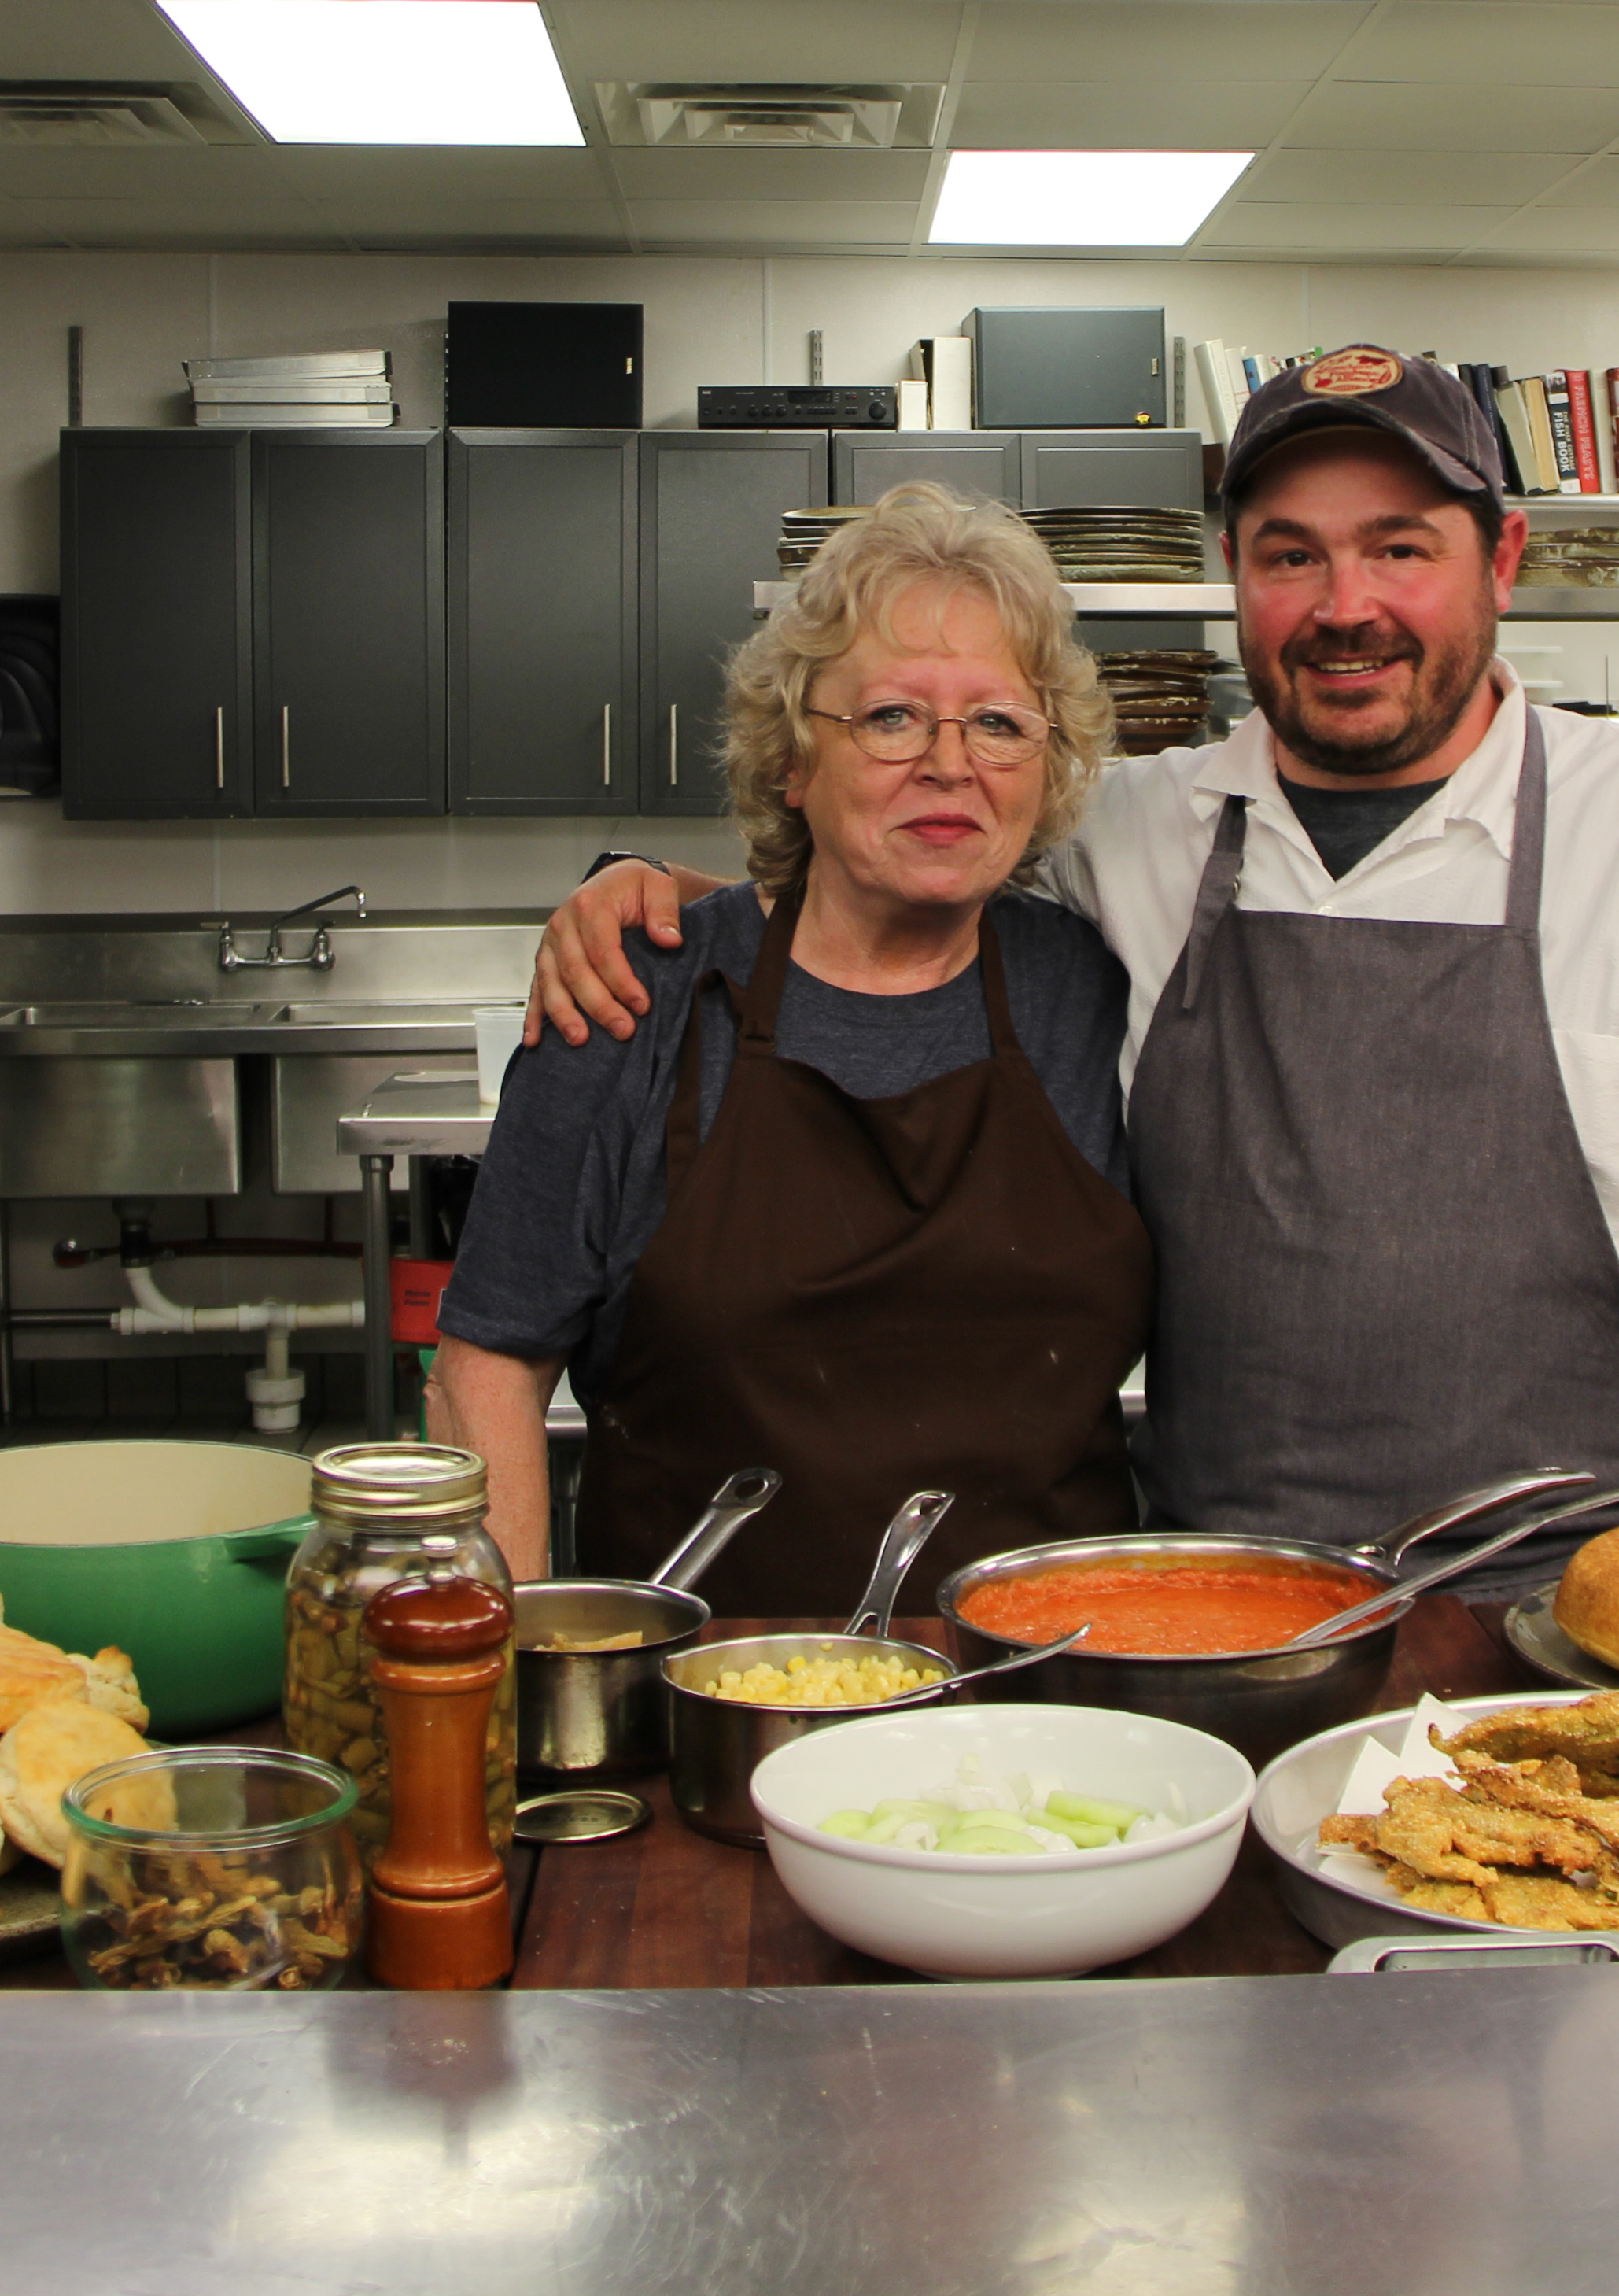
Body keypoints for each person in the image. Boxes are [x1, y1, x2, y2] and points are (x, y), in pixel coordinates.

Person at [529, 349, 1619, 1561]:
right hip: (1220, 1621)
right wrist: (658, 900)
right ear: (1235, 570)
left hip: (1584, 1615)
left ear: (1501, 560)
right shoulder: (1137, 831)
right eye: (1292, 555)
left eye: (1400, 550)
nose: (1345, 607)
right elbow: (899, 849)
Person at [429, 483, 1150, 1615]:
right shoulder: (632, 996)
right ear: (793, 763)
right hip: (704, 1689)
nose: (951, 763)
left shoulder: (1105, 993)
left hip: (1052, 1683)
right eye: (893, 717)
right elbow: (489, 1365)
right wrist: (517, 1660)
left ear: (1047, 770)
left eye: (1000, 723)